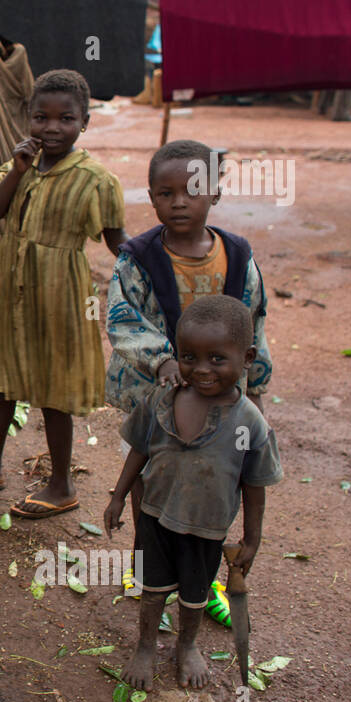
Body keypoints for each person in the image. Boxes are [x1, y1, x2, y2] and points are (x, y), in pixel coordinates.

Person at [0, 69, 127, 517]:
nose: (52, 128)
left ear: (85, 122)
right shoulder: (16, 167)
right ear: (28, 119)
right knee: (3, 377)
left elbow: (119, 245)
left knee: (53, 386)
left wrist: (148, 285)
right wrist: (18, 171)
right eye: (41, 117)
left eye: (66, 119)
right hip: (12, 286)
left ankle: (61, 484)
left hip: (62, 292)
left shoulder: (97, 180)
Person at [104, 139, 272, 593]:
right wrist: (161, 362)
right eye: (165, 192)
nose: (178, 201)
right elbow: (122, 319)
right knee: (149, 478)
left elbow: (253, 322)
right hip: (153, 399)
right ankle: (148, 574)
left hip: (221, 404)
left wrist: (254, 391)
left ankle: (201, 582)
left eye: (192, 190)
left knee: (214, 485)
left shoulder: (236, 256)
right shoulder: (137, 259)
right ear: (151, 195)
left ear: (215, 192)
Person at [103, 294, 281, 689]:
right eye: (189, 357)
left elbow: (255, 487)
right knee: (151, 590)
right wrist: (118, 497)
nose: (201, 370)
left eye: (217, 359)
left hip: (206, 529)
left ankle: (187, 646)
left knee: (194, 596)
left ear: (247, 357)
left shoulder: (250, 424)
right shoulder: (161, 400)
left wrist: (252, 539)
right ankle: (146, 646)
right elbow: (139, 450)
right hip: (154, 517)